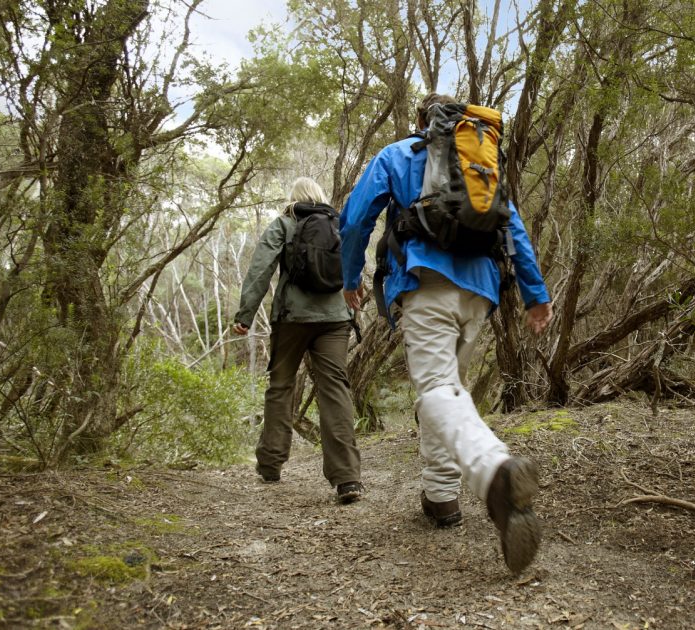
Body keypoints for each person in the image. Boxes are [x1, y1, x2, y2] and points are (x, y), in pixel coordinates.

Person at [339, 93, 553, 573]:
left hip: (426, 281)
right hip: (479, 291)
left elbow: (355, 220)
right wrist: (536, 294)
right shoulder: (481, 166)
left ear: (421, 121)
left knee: (435, 387)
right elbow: (512, 226)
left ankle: (495, 471)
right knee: (446, 390)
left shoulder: (399, 154)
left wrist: (348, 276)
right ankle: (441, 498)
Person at [232, 177, 364, 505]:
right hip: (335, 319)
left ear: (293, 199)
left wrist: (245, 315)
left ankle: (271, 464)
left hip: (291, 319)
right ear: (320, 197)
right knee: (334, 388)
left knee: (280, 386)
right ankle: (347, 478)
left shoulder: (284, 224)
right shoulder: (338, 223)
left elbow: (260, 269)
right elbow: (357, 264)